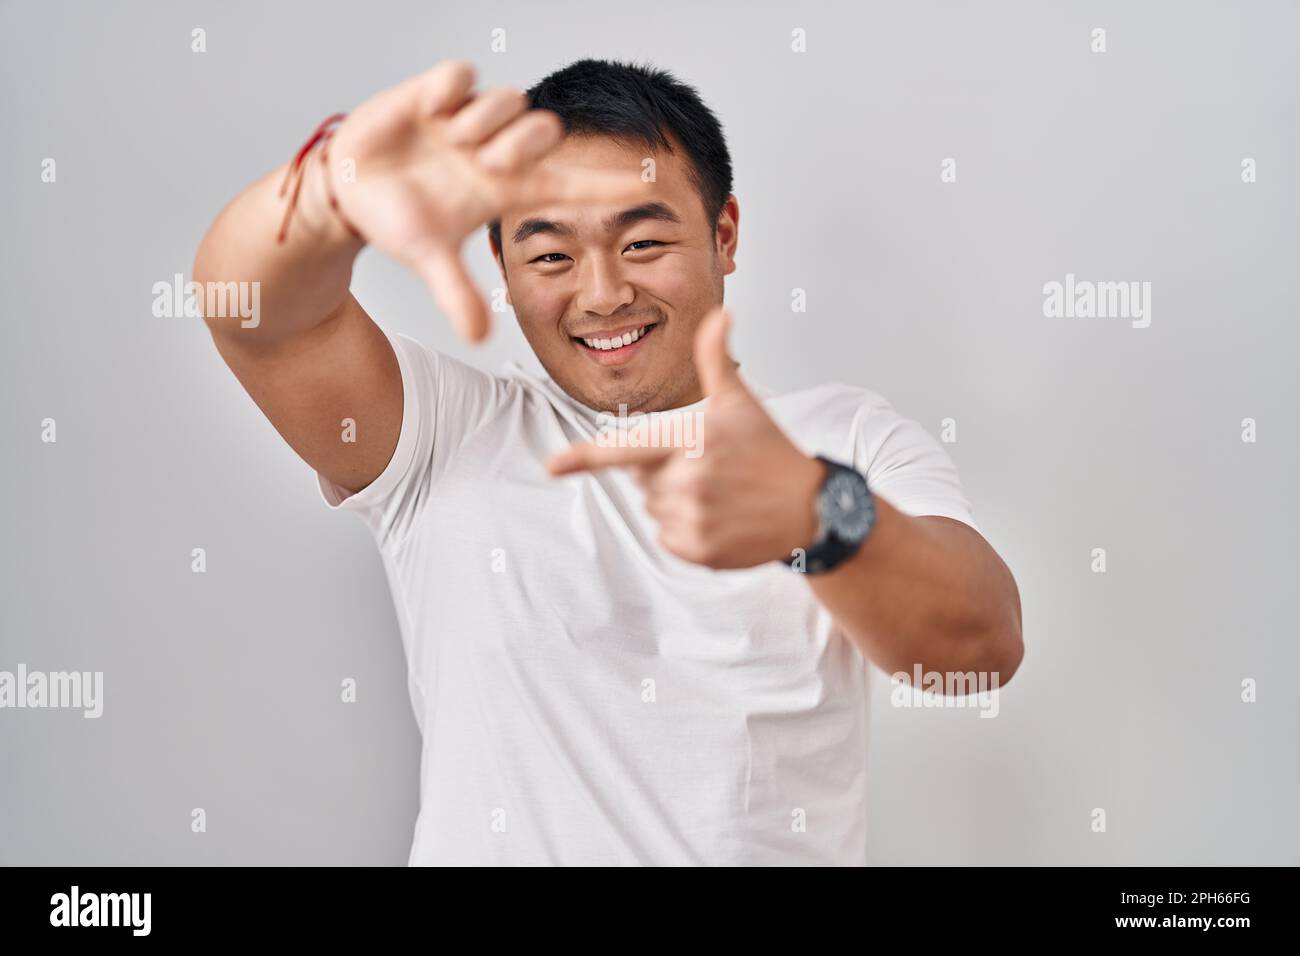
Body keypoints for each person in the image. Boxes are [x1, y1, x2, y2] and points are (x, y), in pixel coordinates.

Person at [193, 58, 1023, 865]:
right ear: (504, 272)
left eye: (644, 241)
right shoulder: (440, 434)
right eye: (551, 255)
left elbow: (978, 652)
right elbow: (253, 313)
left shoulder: (842, 441)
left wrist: (818, 515)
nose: (601, 295)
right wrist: (330, 197)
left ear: (723, 235)